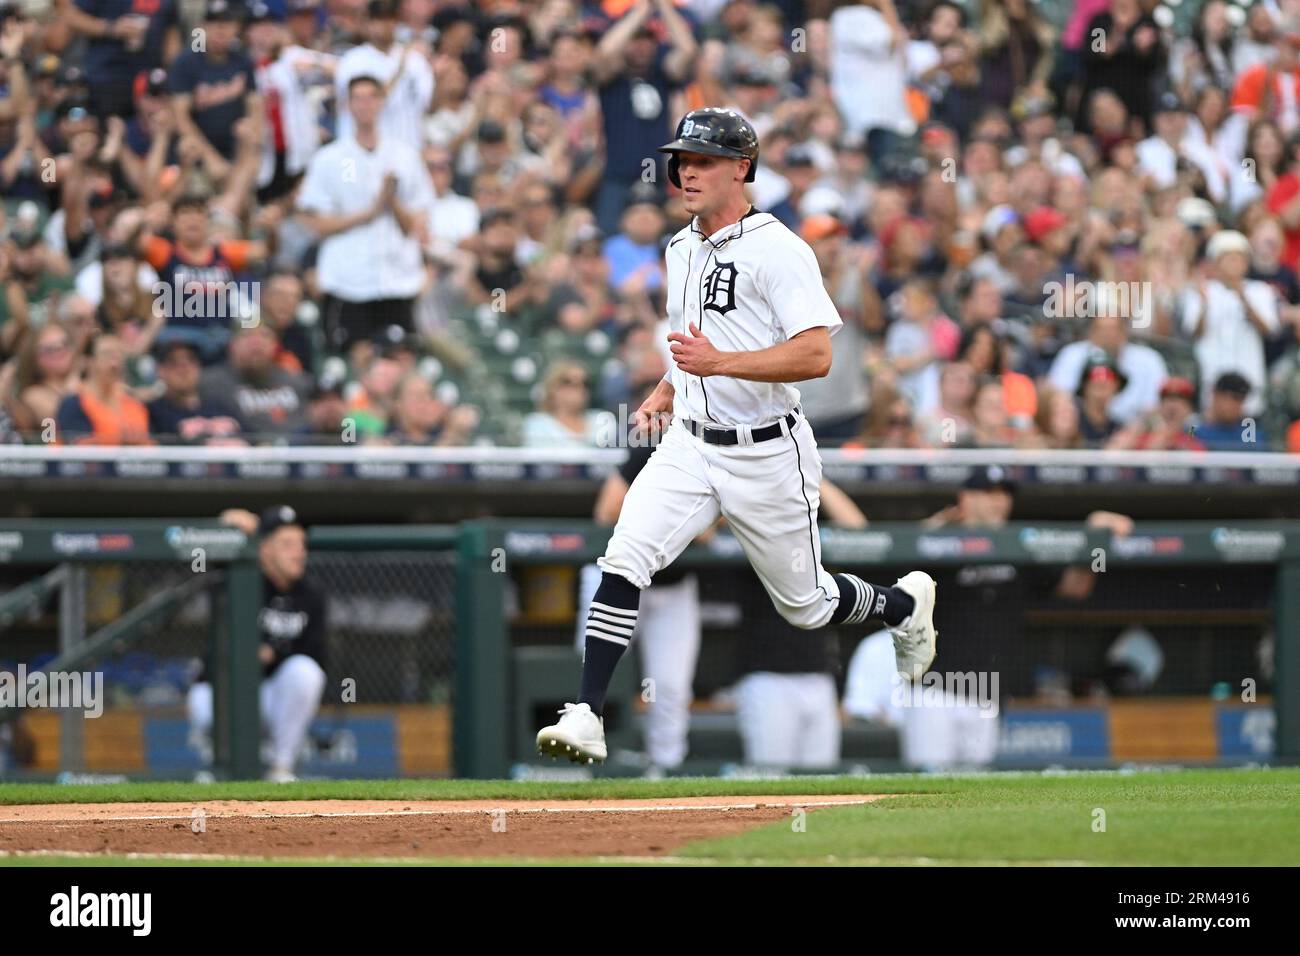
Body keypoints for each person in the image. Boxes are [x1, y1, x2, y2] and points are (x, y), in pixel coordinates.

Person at [536, 108, 937, 765]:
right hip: (691, 442)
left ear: (741, 168)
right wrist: (669, 388)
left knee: (806, 606)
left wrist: (718, 364)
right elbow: (687, 342)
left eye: (703, 160)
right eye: (681, 160)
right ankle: (587, 712)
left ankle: (900, 604)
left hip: (767, 449)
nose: (687, 171)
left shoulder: (780, 247)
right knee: (624, 556)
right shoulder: (679, 247)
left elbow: (815, 357)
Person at [187, 505, 328, 782]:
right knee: (202, 705)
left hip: (272, 696)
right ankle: (217, 765)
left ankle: (281, 767)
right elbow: (205, 562)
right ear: (264, 550)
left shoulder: (311, 594)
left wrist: (273, 652)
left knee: (306, 672)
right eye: (287, 544)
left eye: (301, 544)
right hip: (224, 694)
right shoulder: (238, 577)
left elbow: (316, 656)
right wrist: (224, 527)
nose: (298, 552)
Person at [296, 74, 434, 357]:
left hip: (397, 279)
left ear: (382, 102)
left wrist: (391, 199)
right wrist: (368, 213)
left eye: (372, 97)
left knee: (401, 357)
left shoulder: (404, 155)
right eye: (358, 98)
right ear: (348, 104)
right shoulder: (331, 158)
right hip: (348, 280)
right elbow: (315, 224)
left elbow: (418, 225)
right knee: (352, 356)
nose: (365, 105)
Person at [54, 332, 151, 445]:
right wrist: (122, 445)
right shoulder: (74, 404)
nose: (115, 363)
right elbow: (80, 451)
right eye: (107, 355)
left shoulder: (135, 405)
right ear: (88, 361)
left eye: (119, 355)